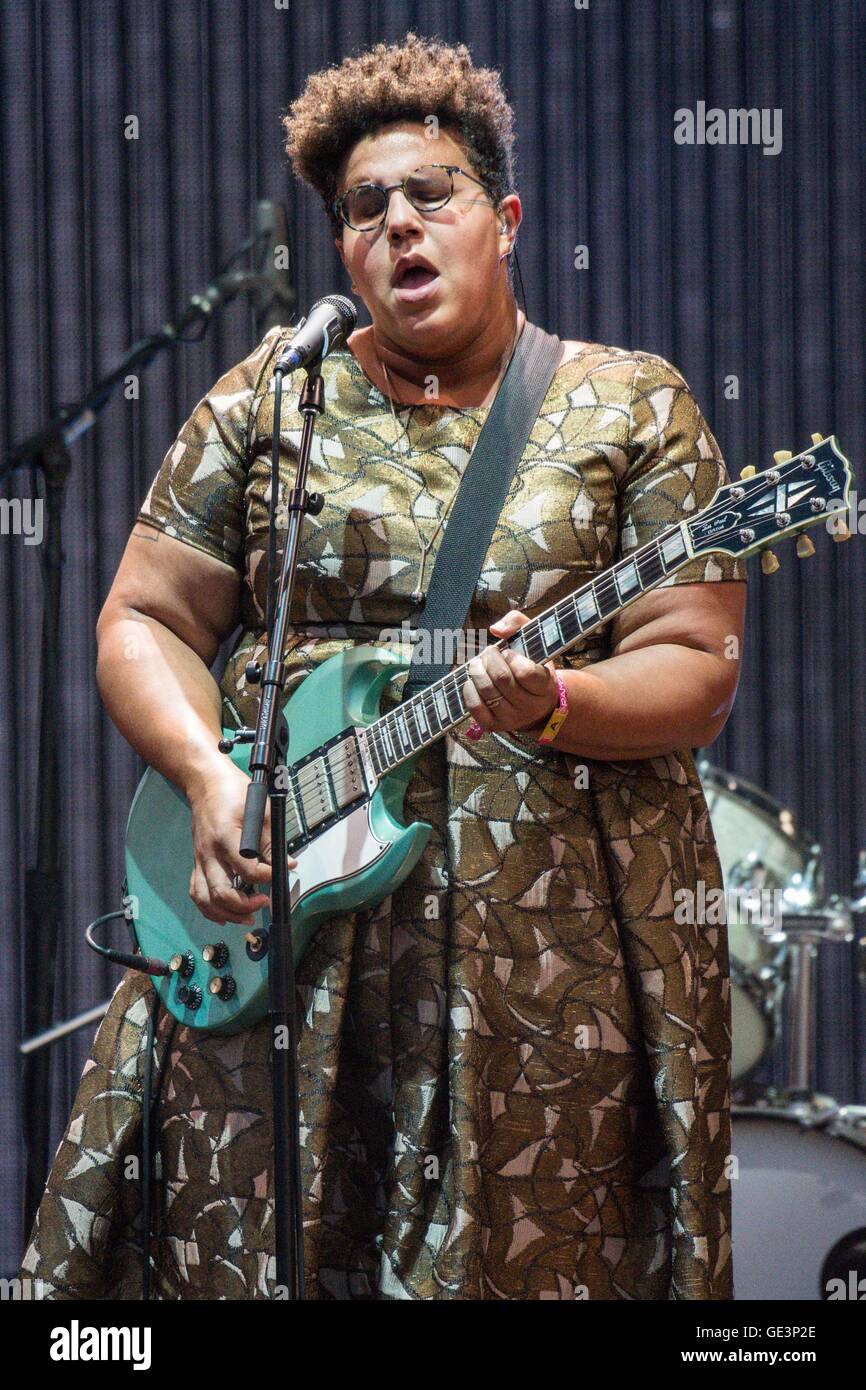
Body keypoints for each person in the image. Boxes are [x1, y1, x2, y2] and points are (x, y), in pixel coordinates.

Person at [21, 32, 746, 1300]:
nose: (399, 224)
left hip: (539, 976)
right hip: (282, 948)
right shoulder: (271, 398)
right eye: (365, 208)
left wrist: (557, 698)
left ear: (504, 218)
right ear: (341, 249)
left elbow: (695, 660)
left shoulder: (631, 405)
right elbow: (143, 619)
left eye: (433, 193)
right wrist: (207, 776)